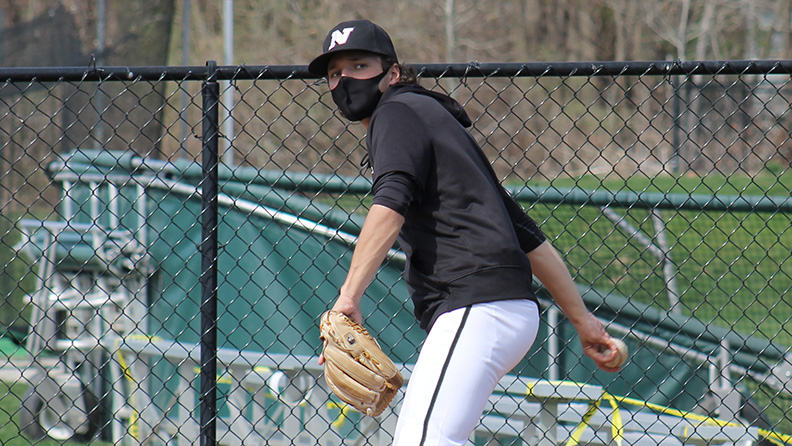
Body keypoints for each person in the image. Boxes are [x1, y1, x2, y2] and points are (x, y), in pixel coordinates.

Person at [310, 19, 621, 445]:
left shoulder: (396, 113)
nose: (344, 79)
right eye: (333, 73)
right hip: (502, 308)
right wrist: (584, 321)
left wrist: (348, 297)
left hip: (478, 304)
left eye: (359, 65)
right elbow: (526, 235)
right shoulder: (432, 118)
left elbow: (390, 205)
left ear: (393, 73)